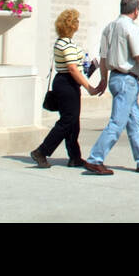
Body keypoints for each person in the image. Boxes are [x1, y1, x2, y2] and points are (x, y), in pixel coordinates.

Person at [85, 0, 139, 174]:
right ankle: (95, 158)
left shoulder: (109, 28)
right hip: (127, 80)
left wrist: (104, 80)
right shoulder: (130, 28)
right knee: (117, 123)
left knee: (135, 122)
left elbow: (103, 58)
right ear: (136, 10)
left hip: (115, 78)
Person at [31, 9, 103, 169]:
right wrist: (89, 87)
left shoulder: (60, 43)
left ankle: (74, 156)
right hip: (68, 84)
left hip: (64, 82)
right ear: (72, 25)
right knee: (67, 120)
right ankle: (42, 151)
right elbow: (72, 68)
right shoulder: (67, 44)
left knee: (73, 122)